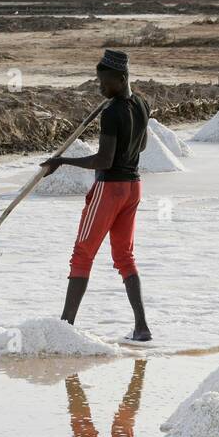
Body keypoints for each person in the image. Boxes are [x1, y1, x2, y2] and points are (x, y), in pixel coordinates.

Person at [43, 49, 152, 342]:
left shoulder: (113, 112)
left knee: (82, 255)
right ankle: (141, 328)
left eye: (104, 82)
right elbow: (142, 146)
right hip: (133, 187)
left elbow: (103, 161)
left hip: (110, 189)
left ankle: (65, 326)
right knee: (125, 257)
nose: (100, 87)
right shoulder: (142, 103)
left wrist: (61, 162)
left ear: (121, 78)